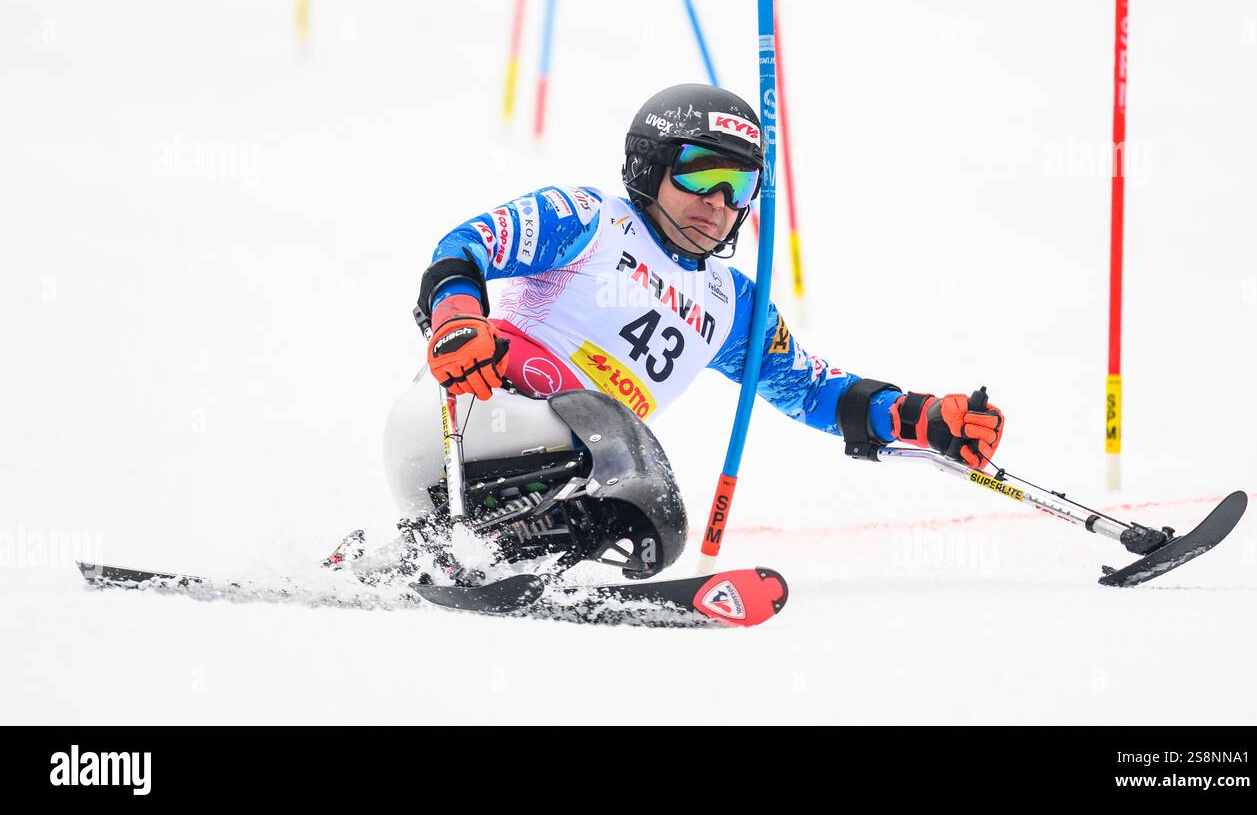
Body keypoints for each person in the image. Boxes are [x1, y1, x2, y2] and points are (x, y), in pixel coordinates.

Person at [358, 84, 1004, 581]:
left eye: (739, 185)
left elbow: (811, 390)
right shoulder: (590, 220)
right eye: (700, 172)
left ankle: (459, 558)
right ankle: (475, 537)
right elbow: (466, 246)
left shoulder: (731, 303)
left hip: (574, 468)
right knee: (626, 446)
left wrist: (922, 419)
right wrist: (458, 320)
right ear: (650, 166)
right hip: (462, 419)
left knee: (654, 512)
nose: (718, 200)